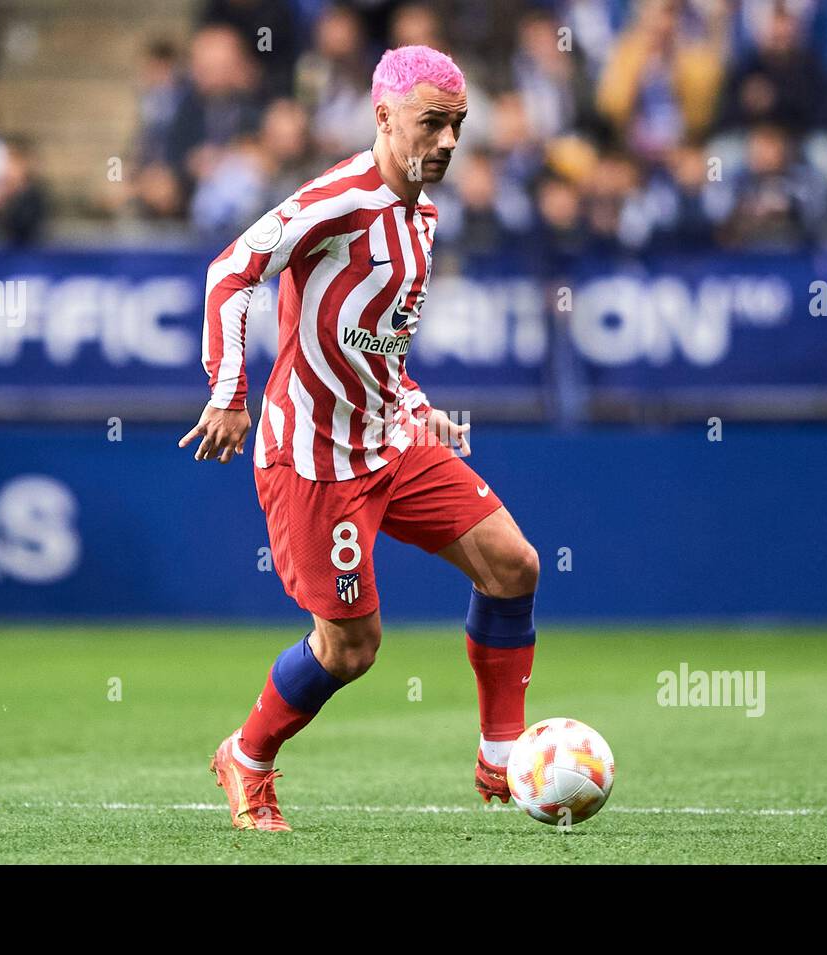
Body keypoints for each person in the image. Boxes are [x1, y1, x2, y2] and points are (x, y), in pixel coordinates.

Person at [178, 45, 540, 832]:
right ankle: (246, 755)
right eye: (432, 124)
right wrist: (229, 392)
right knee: (350, 648)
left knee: (513, 565)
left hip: (391, 436)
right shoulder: (338, 199)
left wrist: (414, 402)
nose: (448, 142)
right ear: (384, 118)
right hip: (314, 460)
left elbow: (380, 341)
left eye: (458, 125)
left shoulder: (425, 215)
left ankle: (502, 754)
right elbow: (229, 272)